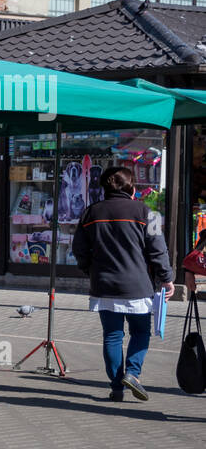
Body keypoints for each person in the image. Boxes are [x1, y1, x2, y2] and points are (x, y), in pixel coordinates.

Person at [72, 165, 174, 403]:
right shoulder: (149, 213)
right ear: (132, 188)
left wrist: (89, 269)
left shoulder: (90, 213)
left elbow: (79, 249)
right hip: (137, 286)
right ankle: (133, 372)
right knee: (140, 332)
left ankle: (117, 386)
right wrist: (167, 278)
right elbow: (159, 250)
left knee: (112, 336)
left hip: (103, 285)